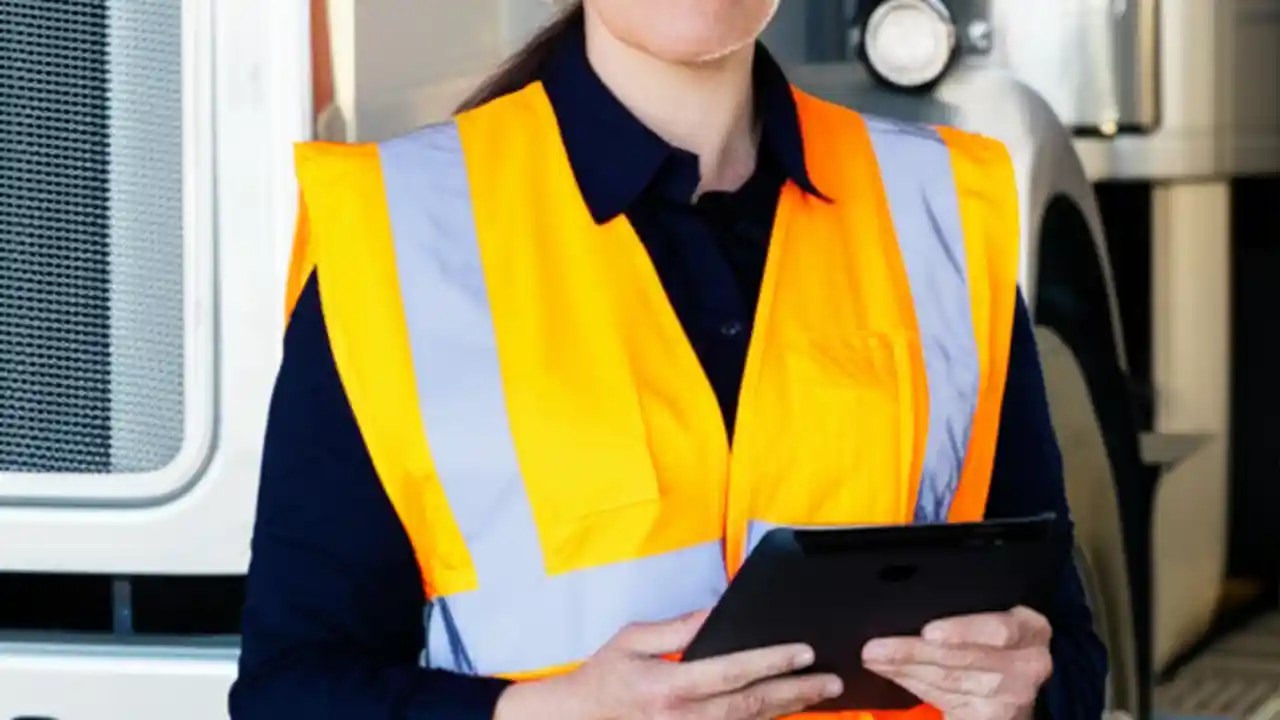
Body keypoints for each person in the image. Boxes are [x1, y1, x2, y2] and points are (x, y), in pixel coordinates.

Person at [230, 1, 1108, 718]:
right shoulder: (399, 236)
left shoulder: (933, 214)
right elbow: (293, 691)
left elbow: (1061, 647)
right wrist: (550, 713)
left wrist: (1022, 693)